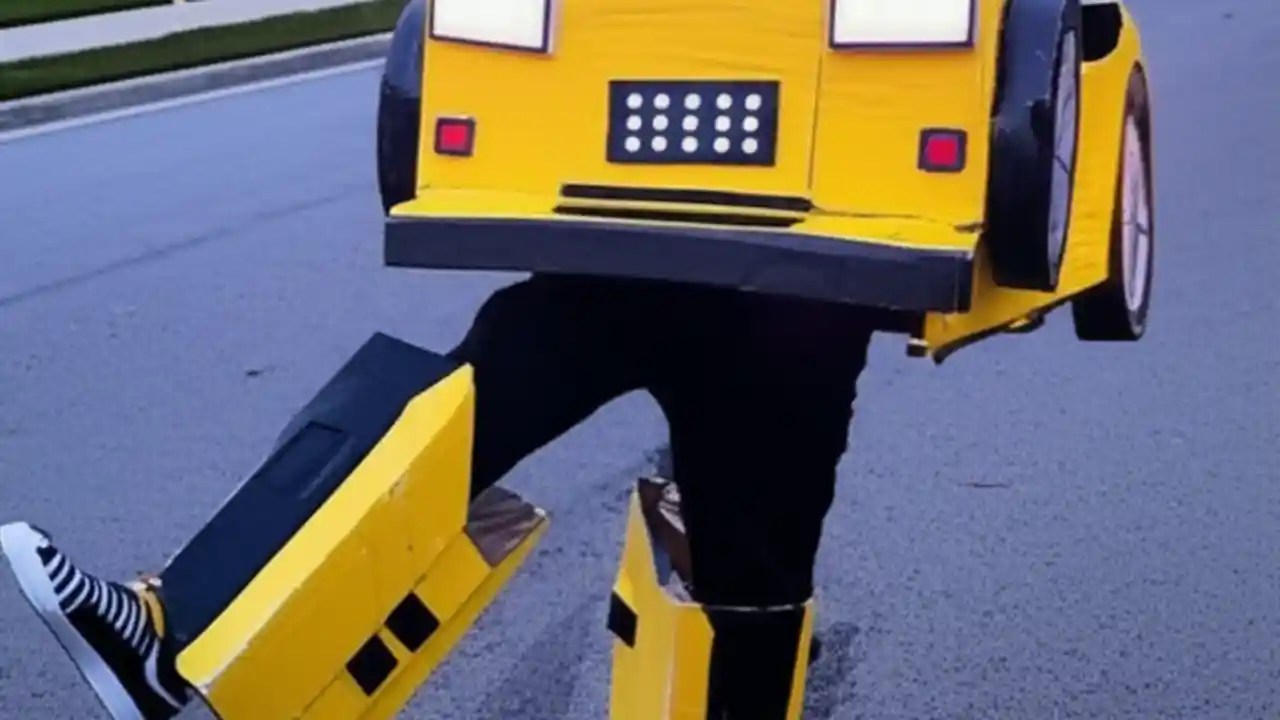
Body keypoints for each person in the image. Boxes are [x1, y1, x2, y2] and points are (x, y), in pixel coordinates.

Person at [0, 273, 877, 718]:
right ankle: (166, 634)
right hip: (628, 247)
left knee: (752, 597)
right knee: (428, 430)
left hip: (796, 286)